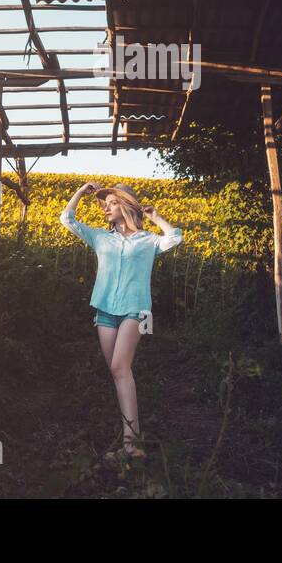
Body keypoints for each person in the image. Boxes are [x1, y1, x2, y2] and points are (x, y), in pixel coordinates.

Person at [60, 181, 182, 459]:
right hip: (104, 310)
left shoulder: (148, 240)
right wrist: (81, 191)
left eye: (112, 202)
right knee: (118, 374)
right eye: (104, 203)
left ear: (125, 205)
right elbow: (67, 219)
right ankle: (130, 438)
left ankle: (132, 445)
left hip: (135, 310)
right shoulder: (100, 237)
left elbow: (175, 237)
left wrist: (155, 217)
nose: (105, 207)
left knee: (120, 366)